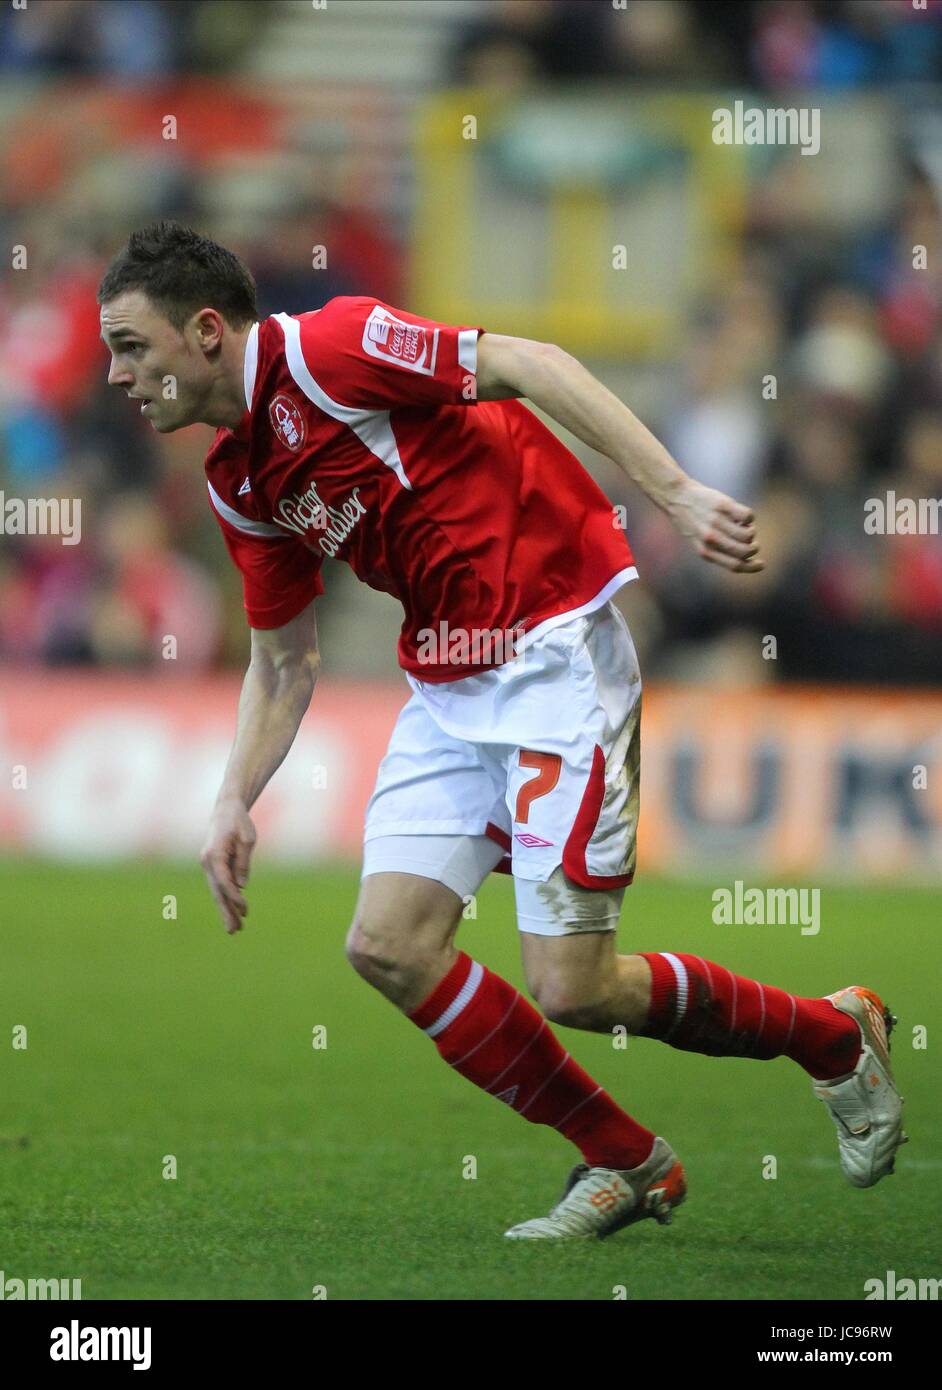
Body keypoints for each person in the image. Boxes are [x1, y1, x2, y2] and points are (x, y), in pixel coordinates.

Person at [97, 222, 905, 1239]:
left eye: (130, 345)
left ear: (205, 331)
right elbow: (285, 659)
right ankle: (625, 1156)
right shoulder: (237, 478)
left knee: (574, 986)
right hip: (446, 681)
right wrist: (229, 798)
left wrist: (675, 492)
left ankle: (832, 1033)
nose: (117, 375)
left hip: (556, 649)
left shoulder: (330, 348)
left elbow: (528, 362)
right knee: (387, 945)